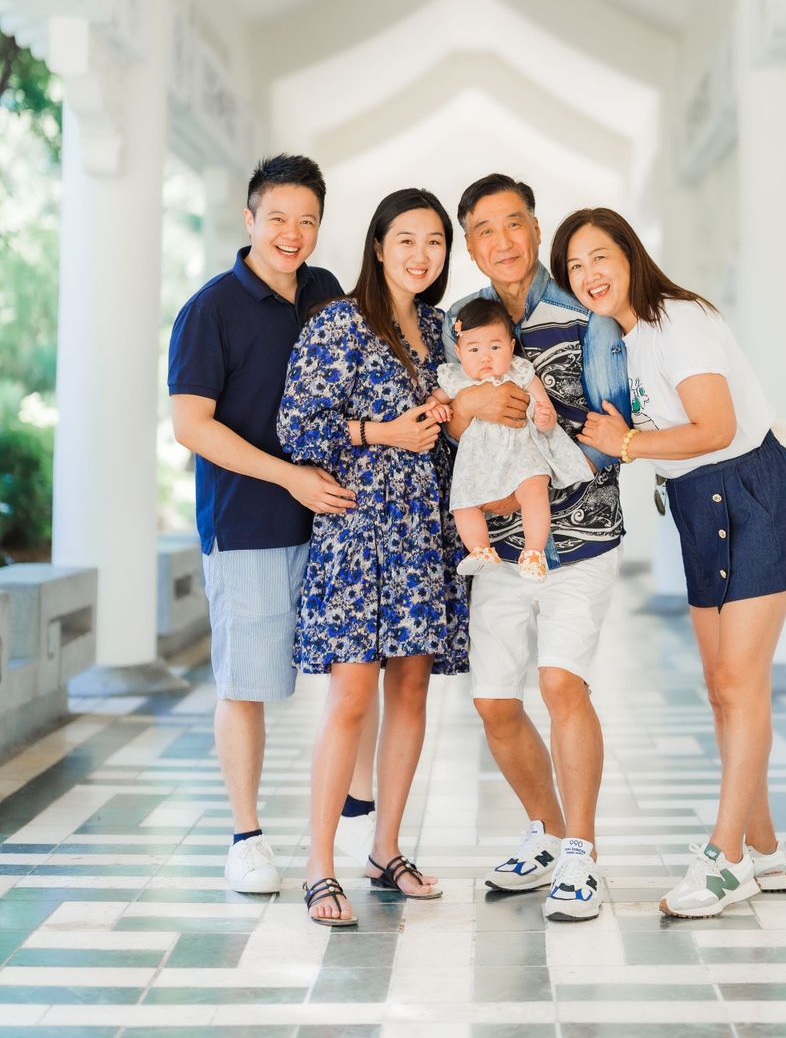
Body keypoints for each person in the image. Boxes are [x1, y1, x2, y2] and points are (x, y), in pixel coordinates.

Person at [551, 206, 786, 919]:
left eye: (599, 257)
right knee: (721, 686)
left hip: (753, 493)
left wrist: (628, 446)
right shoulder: (621, 340)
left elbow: (718, 426)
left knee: (741, 681)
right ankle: (764, 847)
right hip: (697, 504)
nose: (589, 275)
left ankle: (725, 857)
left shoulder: (679, 319)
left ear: (630, 255)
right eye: (575, 267)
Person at [278, 187, 468, 928]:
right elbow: (298, 427)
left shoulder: (446, 329)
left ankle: (386, 849)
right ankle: (318, 865)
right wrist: (381, 433)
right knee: (351, 698)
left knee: (413, 694)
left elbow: (467, 424)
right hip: (358, 531)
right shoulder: (338, 323)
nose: (423, 256)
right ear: (380, 247)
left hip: (423, 534)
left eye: (436, 243)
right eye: (408, 241)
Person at [445, 174, 631, 922]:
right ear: (470, 243)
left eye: (513, 224)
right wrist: (467, 406)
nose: (501, 241)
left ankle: (581, 851)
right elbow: (442, 425)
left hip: (579, 540)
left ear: (533, 227)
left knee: (560, 687)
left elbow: (614, 437)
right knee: (494, 702)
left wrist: (541, 446)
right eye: (484, 229)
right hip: (496, 550)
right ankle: (547, 833)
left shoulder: (585, 315)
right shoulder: (461, 321)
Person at [168, 154, 356, 895]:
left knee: (352, 675)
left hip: (334, 520)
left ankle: (359, 817)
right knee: (247, 683)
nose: (293, 233)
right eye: (278, 218)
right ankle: (246, 837)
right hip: (247, 523)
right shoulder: (210, 309)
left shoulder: (325, 292)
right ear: (250, 219)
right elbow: (190, 426)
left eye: (307, 220)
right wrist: (289, 477)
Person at [435, 296, 593, 582]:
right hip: (479, 461)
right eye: (474, 348)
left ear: (510, 347)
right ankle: (480, 549)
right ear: (458, 352)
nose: (486, 357)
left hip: (521, 451)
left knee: (534, 490)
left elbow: (544, 407)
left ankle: (533, 552)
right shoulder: (457, 379)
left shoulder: (520, 371)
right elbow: (433, 401)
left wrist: (545, 416)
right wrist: (438, 407)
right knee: (463, 502)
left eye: (495, 347)